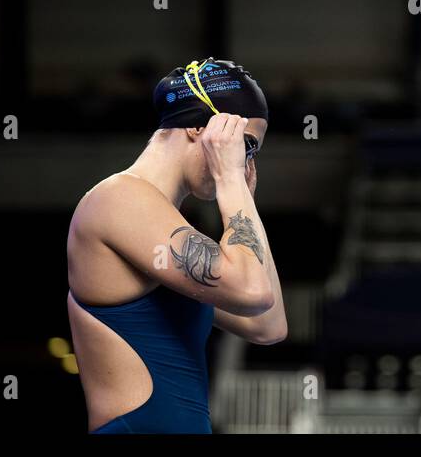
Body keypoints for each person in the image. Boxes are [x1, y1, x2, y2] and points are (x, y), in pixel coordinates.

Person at [65, 58, 286, 433]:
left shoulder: (162, 223)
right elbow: (252, 290)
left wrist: (241, 199)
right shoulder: (118, 200)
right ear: (201, 127)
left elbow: (268, 324)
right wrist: (230, 183)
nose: (245, 162)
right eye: (245, 144)